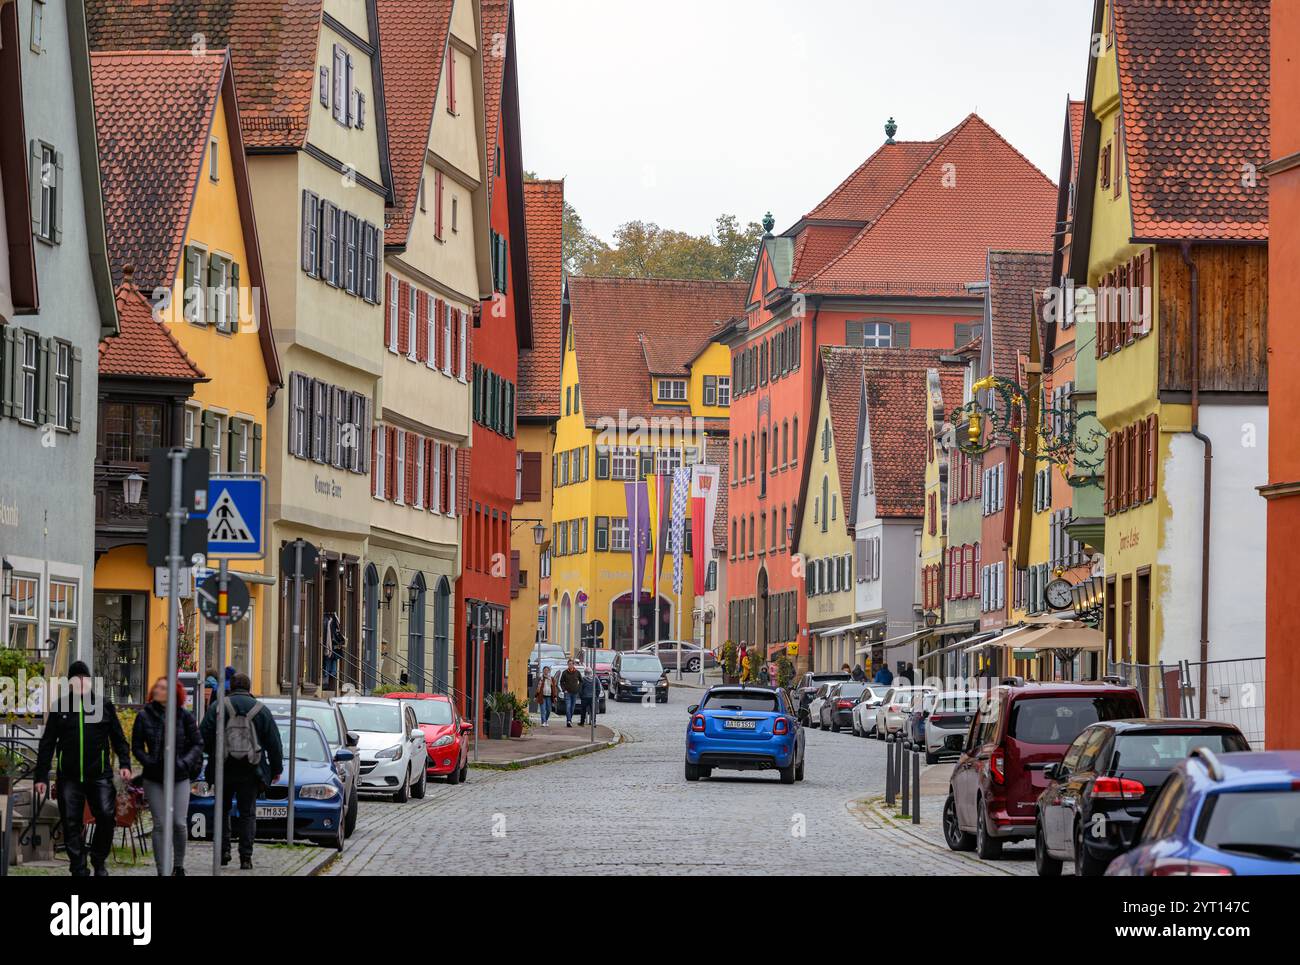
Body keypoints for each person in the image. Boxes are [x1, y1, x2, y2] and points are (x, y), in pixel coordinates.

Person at [33, 660, 132, 877]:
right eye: (75, 677)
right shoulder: (60, 707)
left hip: (99, 775)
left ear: (89, 681)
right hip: (69, 777)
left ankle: (98, 860)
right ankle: (78, 867)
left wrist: (125, 763)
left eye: (83, 677)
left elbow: (118, 738)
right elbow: (47, 743)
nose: (79, 681)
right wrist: (40, 776)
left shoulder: (103, 706)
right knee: (70, 823)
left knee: (106, 816)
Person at [200, 671, 283, 870]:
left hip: (223, 768)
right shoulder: (261, 710)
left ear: (230, 687)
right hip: (252, 770)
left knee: (221, 809)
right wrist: (276, 769)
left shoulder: (218, 707)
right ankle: (246, 856)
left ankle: (223, 851)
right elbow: (274, 743)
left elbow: (202, 737)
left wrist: (213, 752)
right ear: (249, 687)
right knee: (247, 813)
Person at [133, 676, 203, 875]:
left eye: (163, 688)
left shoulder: (184, 716)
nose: (158, 690)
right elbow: (137, 747)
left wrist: (184, 763)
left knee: (179, 822)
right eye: (157, 687)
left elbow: (198, 743)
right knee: (160, 823)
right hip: (154, 777)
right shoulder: (144, 716)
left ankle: (178, 866)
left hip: (179, 776)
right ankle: (162, 870)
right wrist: (149, 762)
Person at [323, 610, 344, 690]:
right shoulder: (331, 621)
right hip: (332, 646)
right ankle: (328, 676)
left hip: (332, 646)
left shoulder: (332, 621)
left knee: (330, 659)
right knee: (330, 659)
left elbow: (330, 635)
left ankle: (327, 676)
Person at [558, 659, 582, 727]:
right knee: (568, 707)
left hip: (575, 692)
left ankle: (570, 720)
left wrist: (578, 688)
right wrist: (564, 689)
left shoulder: (577, 672)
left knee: (572, 708)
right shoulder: (565, 673)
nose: (570, 665)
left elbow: (581, 681)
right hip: (567, 692)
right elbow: (561, 682)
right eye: (569, 664)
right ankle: (568, 720)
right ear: (568, 665)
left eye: (571, 664)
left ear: (573, 665)